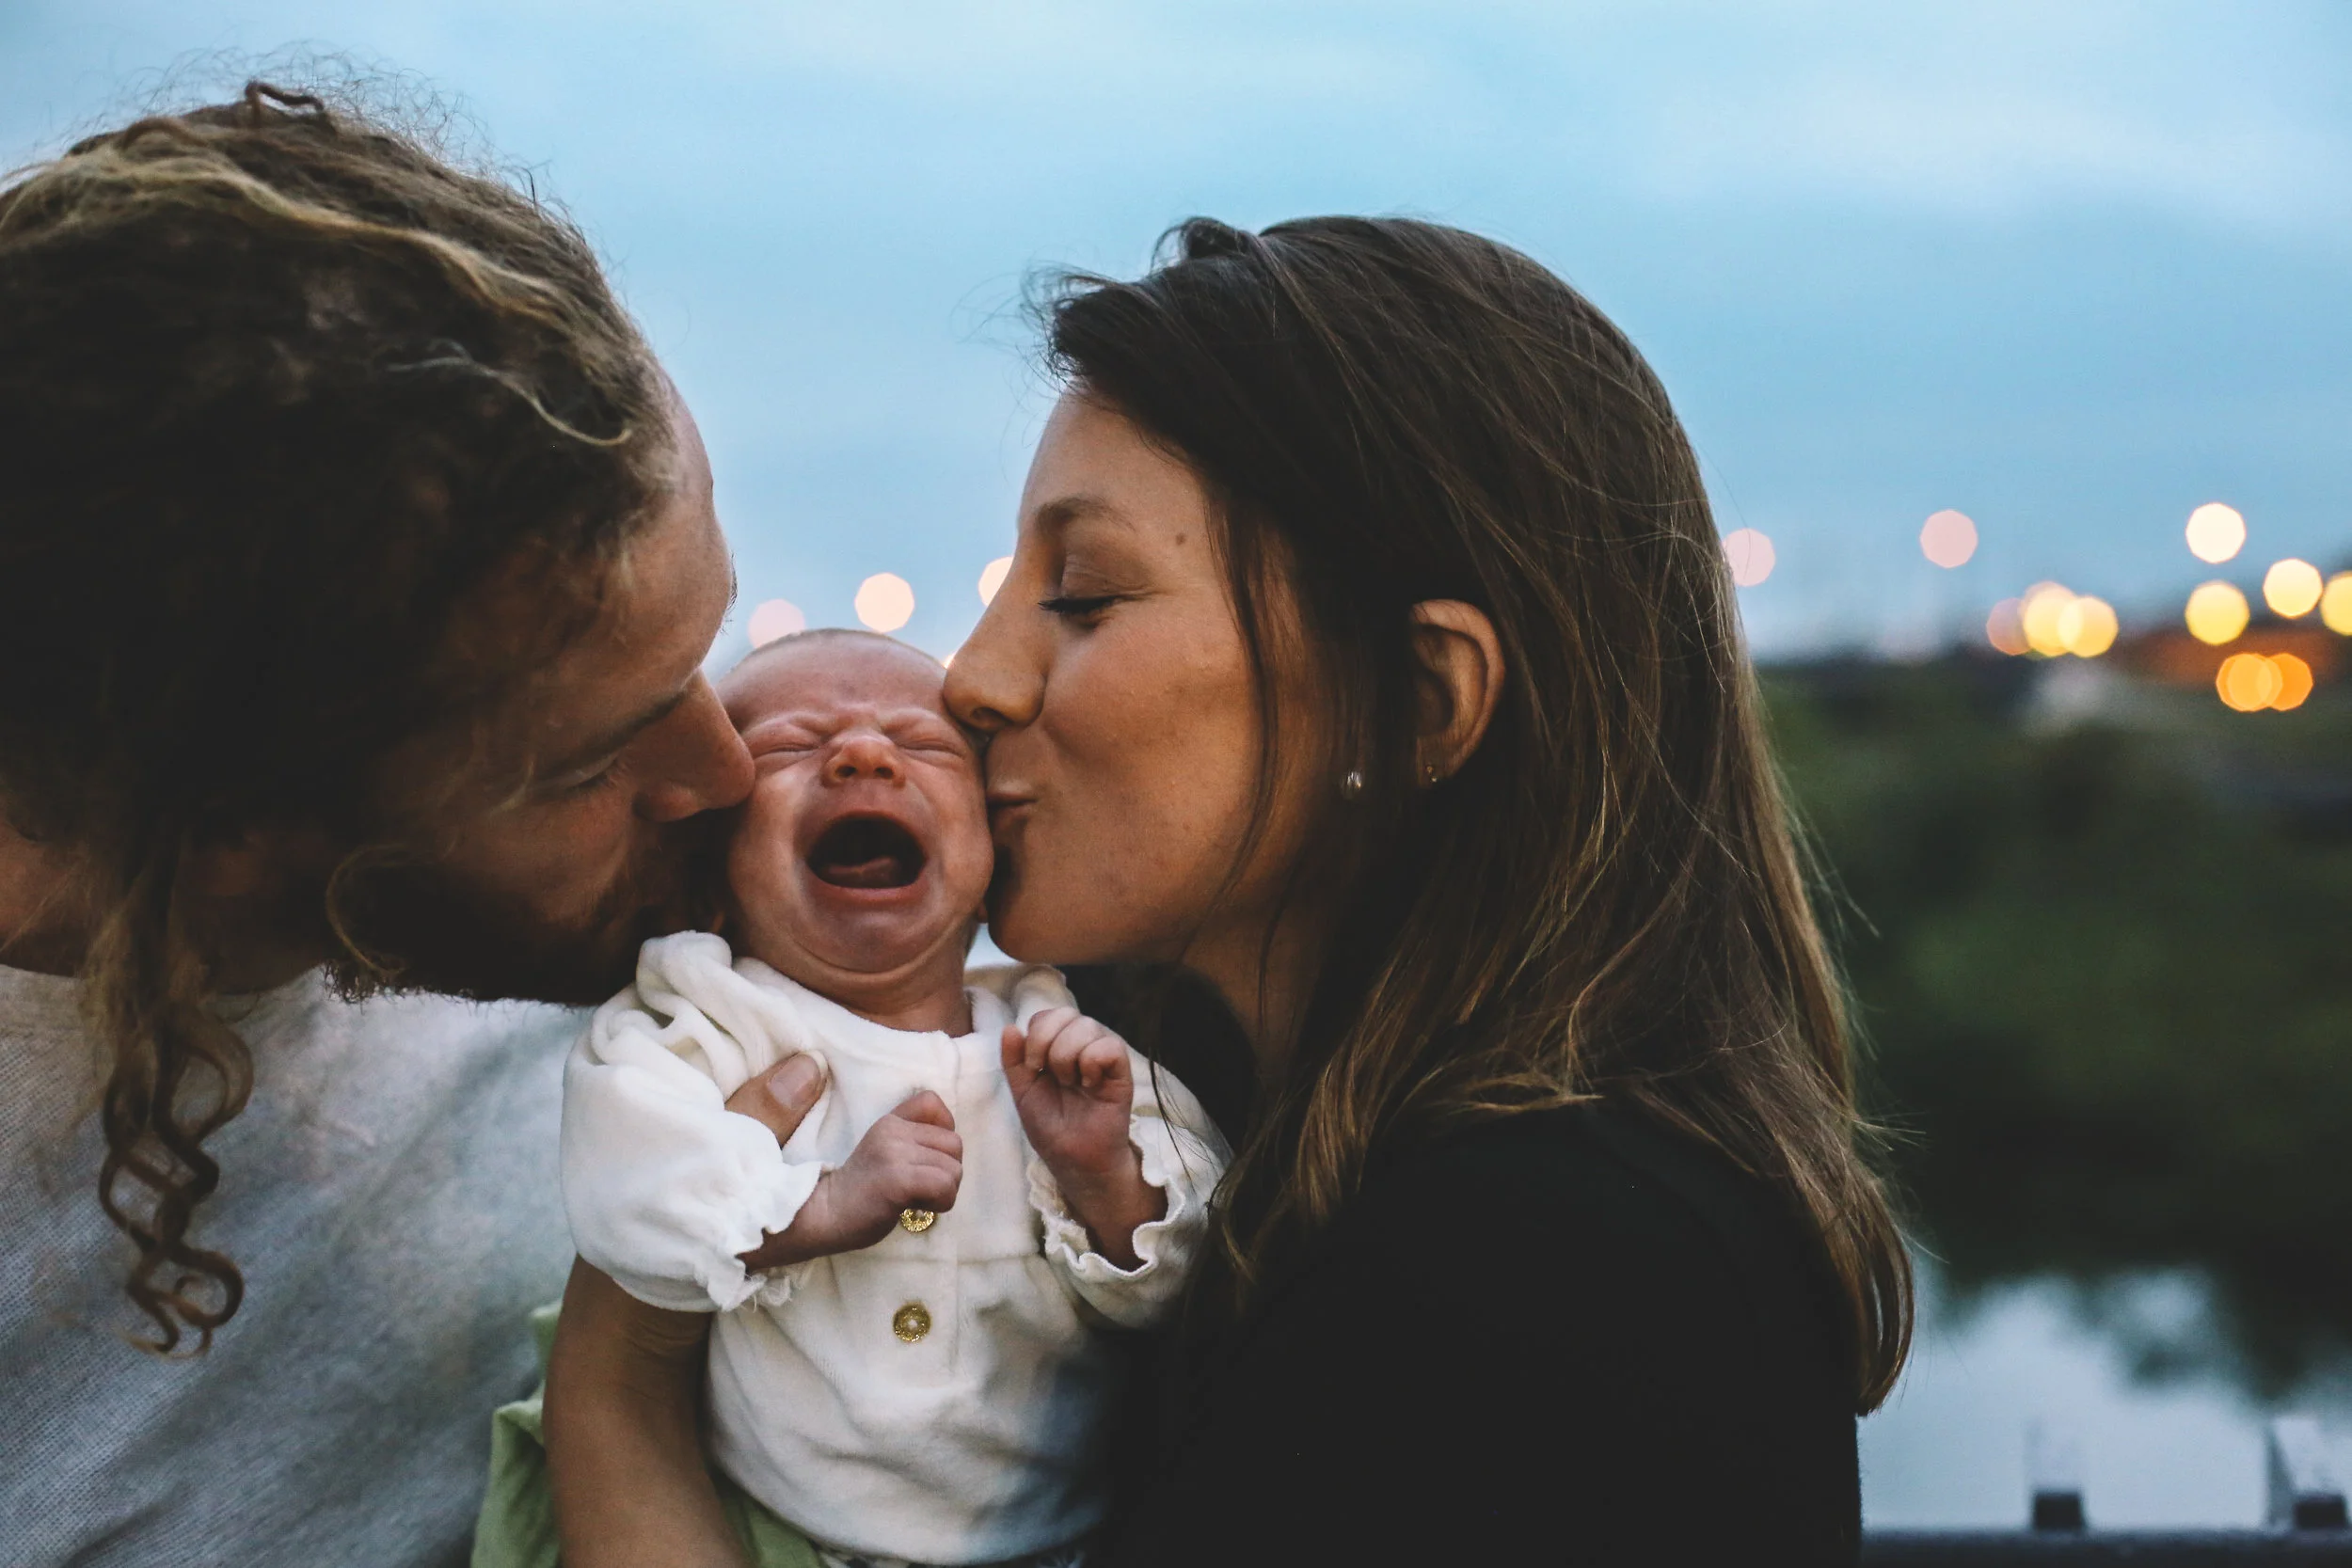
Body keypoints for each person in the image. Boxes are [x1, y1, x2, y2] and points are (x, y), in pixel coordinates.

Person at [938, 215, 1915, 1562]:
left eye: (1086, 594)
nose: (970, 676)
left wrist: (627, 1392)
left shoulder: (1536, 1265)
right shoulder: (1246, 1154)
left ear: (1421, 701)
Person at [0, 84, 759, 1565]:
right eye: (591, 756)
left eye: (696, 661)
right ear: (229, 831)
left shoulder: (670, 937)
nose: (725, 772)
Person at [541, 632, 1226, 1568]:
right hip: (765, 1526)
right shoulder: (703, 1022)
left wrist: (1105, 1178)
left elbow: (1194, 1278)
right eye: (790, 745)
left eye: (925, 743)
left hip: (1060, 1542)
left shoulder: (1055, 1037)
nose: (863, 754)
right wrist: (806, 1208)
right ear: (709, 876)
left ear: (992, 855)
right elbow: (624, 1188)